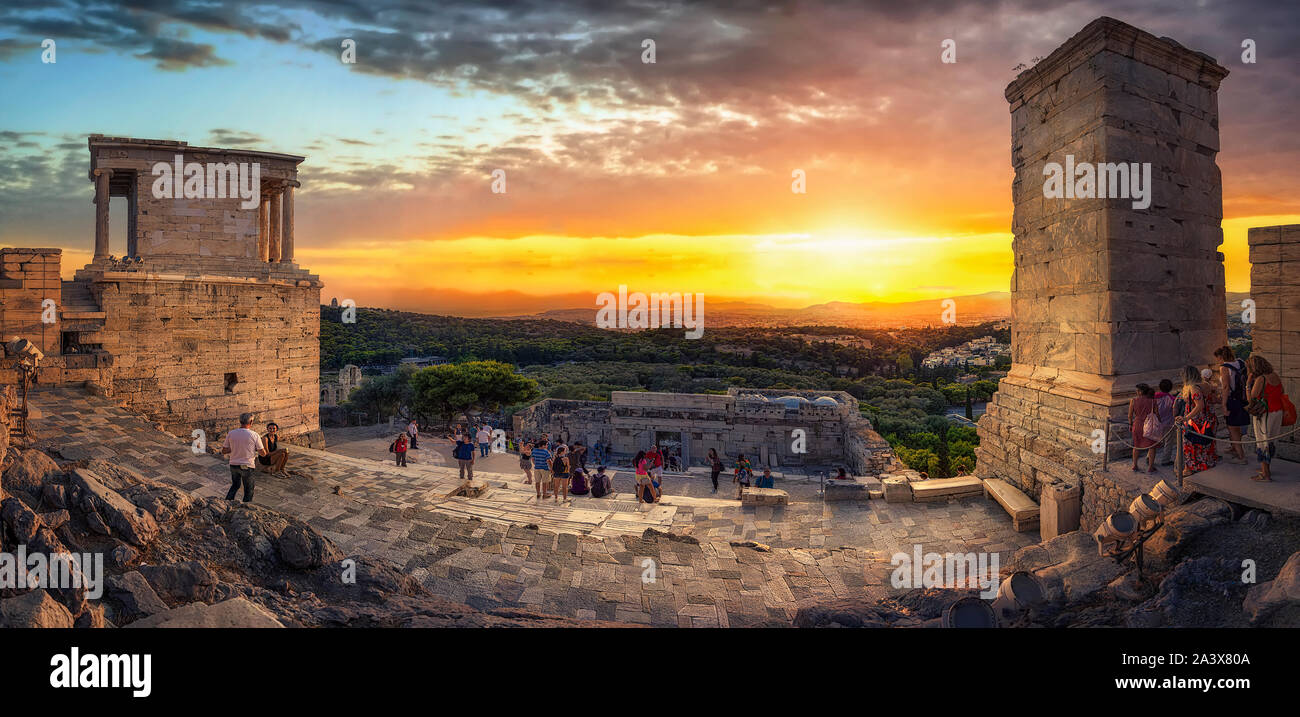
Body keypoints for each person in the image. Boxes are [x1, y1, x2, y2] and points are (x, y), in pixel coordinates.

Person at [1246, 355, 1284, 482]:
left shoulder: (1261, 379)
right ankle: (1265, 468)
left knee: (1262, 442)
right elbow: (1281, 391)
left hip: (1265, 414)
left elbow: (1251, 399)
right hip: (1277, 412)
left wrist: (1247, 384)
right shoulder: (1274, 375)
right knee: (1270, 441)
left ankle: (1265, 474)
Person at [1177, 365, 1218, 476]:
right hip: (1209, 417)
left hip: (1196, 420)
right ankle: (1207, 463)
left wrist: (1186, 418)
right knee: (1206, 442)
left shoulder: (1194, 387)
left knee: (1190, 443)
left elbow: (1199, 405)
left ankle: (1189, 468)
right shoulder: (1206, 384)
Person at [1215, 346, 1251, 465]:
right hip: (1242, 399)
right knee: (1235, 426)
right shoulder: (1241, 362)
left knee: (1232, 428)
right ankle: (1234, 448)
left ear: (1221, 357)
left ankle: (1241, 457)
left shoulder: (1224, 367)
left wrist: (1224, 405)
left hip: (1232, 400)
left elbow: (1226, 387)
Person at [222, 413, 266, 502]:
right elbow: (263, 453)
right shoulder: (254, 435)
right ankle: (245, 508)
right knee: (248, 489)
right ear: (251, 421)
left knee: (235, 485)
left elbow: (224, 451)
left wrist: (234, 448)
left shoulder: (231, 433)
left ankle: (227, 503)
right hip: (247, 465)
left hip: (234, 464)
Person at [1128, 384, 1158, 473]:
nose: (1136, 392)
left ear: (1140, 392)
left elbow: (1130, 416)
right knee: (1152, 446)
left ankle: (1134, 465)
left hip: (1137, 424)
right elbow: (1156, 413)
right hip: (1149, 425)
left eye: (1137, 391)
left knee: (1136, 446)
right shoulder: (1153, 401)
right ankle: (1150, 467)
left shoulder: (1133, 401)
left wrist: (1130, 424)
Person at [1153, 379, 1178, 466]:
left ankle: (1149, 458)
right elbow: (1175, 411)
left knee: (1153, 441)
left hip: (1156, 423)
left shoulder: (1154, 397)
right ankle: (1165, 460)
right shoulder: (1172, 399)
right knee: (1168, 442)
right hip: (1168, 423)